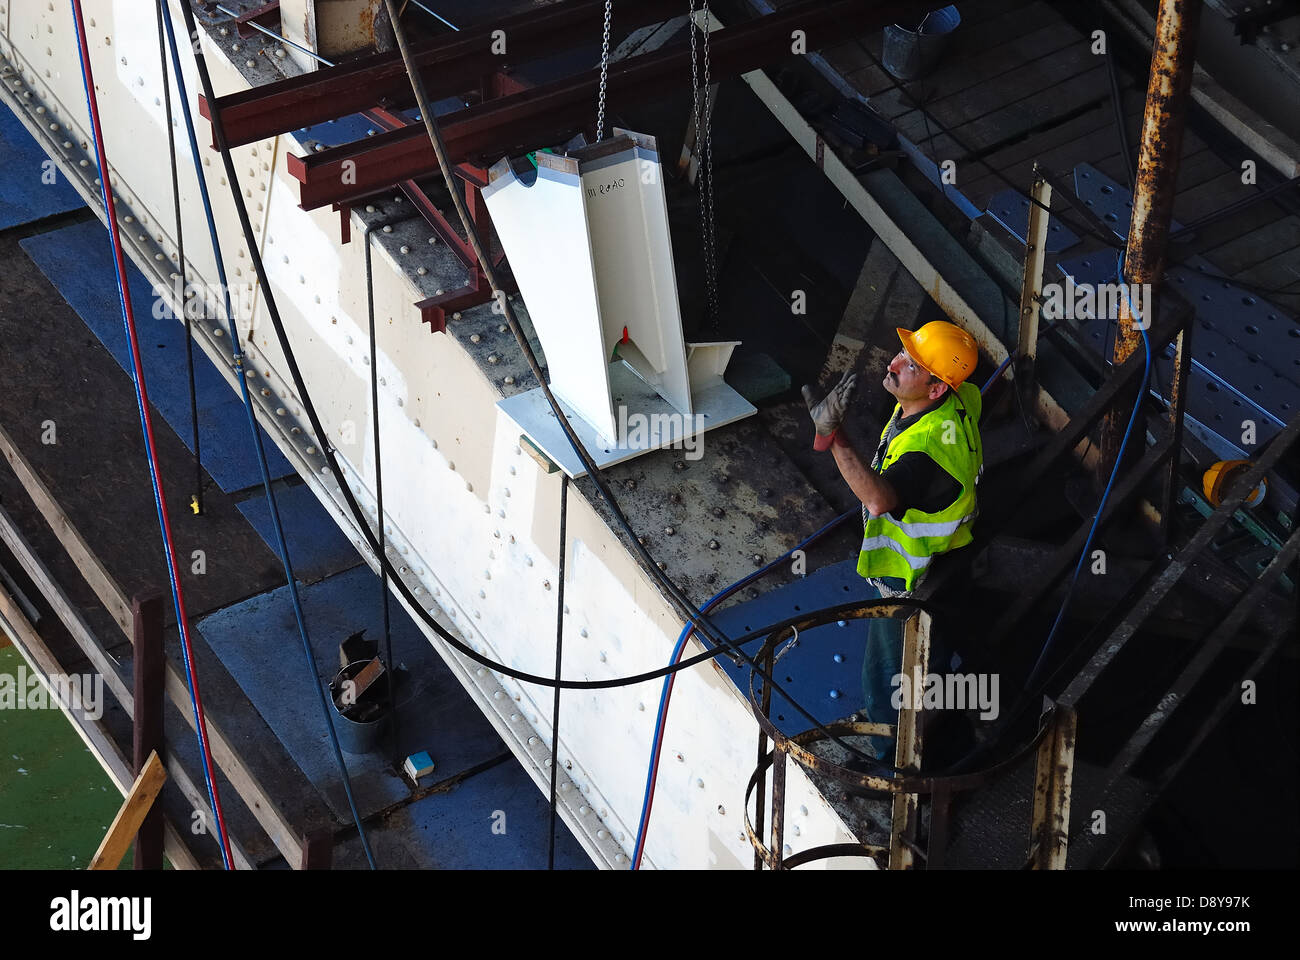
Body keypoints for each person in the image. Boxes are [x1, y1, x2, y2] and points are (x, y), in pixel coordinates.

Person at [803, 320, 983, 759]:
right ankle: (937, 730)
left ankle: (895, 763)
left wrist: (833, 435)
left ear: (937, 388)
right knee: (929, 664)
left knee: (889, 676)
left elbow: (879, 499)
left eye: (911, 363)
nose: (894, 362)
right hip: (953, 560)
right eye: (902, 353)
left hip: (914, 578)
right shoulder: (958, 399)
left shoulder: (928, 450)